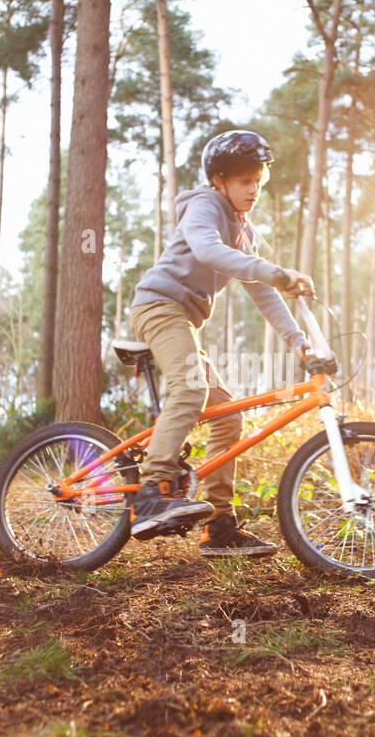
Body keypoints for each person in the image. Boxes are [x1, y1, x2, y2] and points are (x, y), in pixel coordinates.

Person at [126, 129, 315, 556]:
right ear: (220, 181)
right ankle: (154, 489)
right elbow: (208, 251)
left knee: (226, 415)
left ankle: (219, 526)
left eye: (258, 182)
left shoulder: (243, 231)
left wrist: (299, 343)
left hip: (185, 322)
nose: (253, 190)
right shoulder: (204, 207)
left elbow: (264, 292)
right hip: (159, 307)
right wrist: (272, 271)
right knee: (191, 389)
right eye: (245, 181)